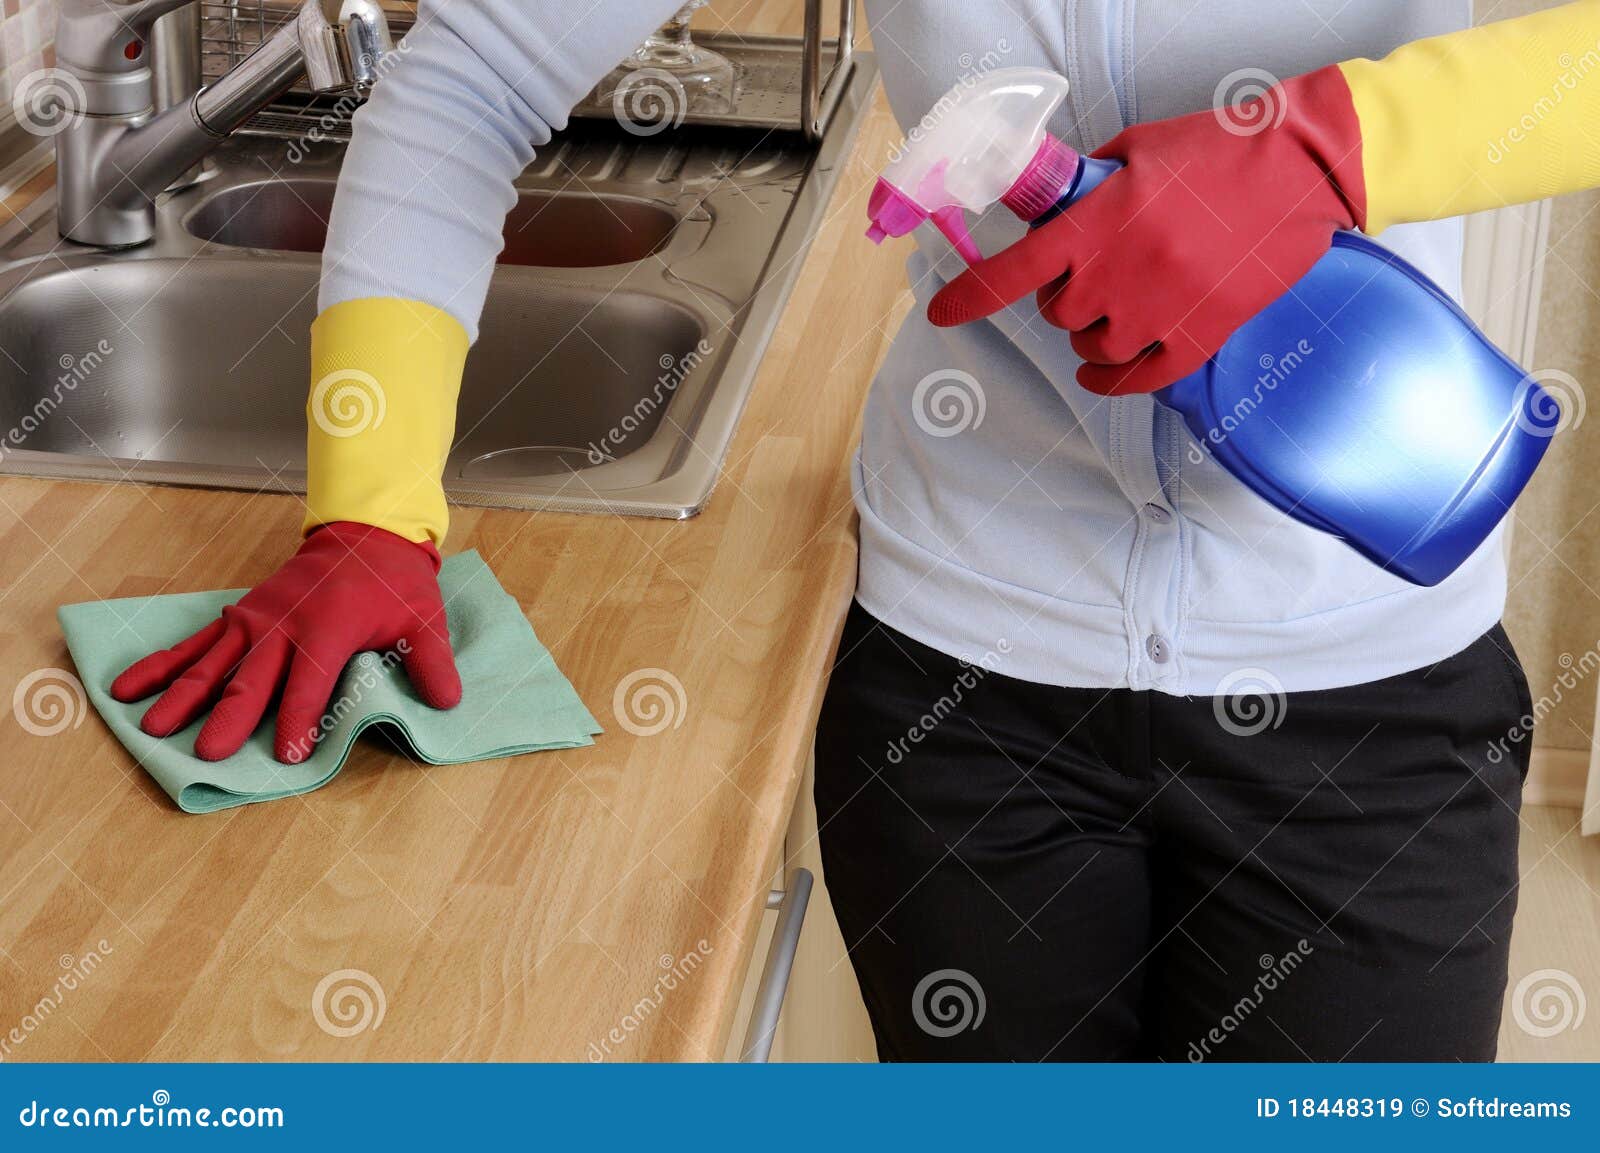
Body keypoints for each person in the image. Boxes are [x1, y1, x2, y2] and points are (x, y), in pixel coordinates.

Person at [110, 1, 1597, 1060]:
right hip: (971, 707)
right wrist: (371, 514)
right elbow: (471, 77)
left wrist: (1329, 149)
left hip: (1367, 701)